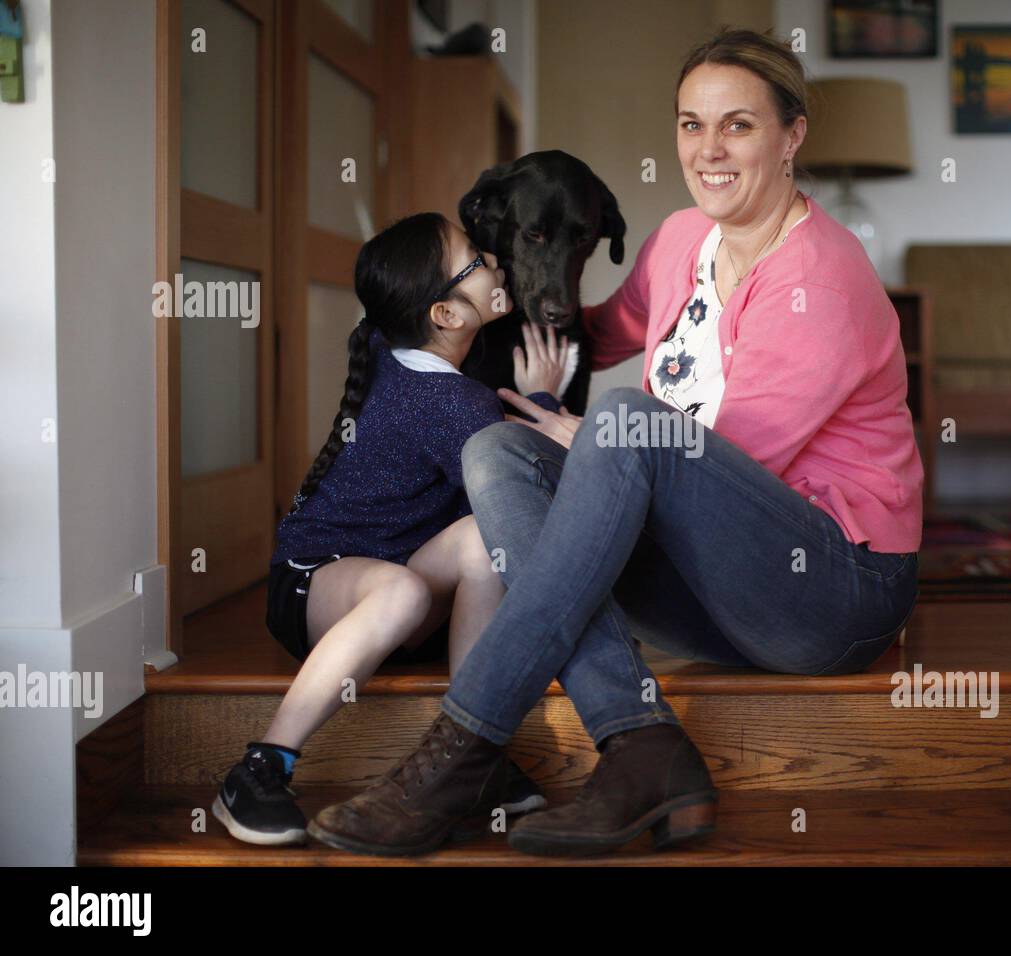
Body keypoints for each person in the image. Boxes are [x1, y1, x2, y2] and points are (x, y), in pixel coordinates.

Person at [308, 27, 924, 858]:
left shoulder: (823, 278)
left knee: (625, 421)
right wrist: (446, 324)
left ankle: (461, 748)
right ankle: (642, 746)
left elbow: (718, 463)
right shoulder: (680, 242)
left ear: (793, 135)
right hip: (710, 588)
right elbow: (588, 332)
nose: (708, 150)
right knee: (498, 452)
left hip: (826, 591)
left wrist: (600, 437)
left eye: (737, 125)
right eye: (690, 124)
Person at [211, 212, 571, 846]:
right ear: (446, 315)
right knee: (408, 587)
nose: (493, 258)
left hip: (394, 582)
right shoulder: (449, 405)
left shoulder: (391, 348)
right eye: (475, 258)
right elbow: (526, 471)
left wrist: (529, 402)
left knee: (483, 543)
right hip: (314, 588)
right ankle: (259, 767)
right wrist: (541, 402)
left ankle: (471, 752)